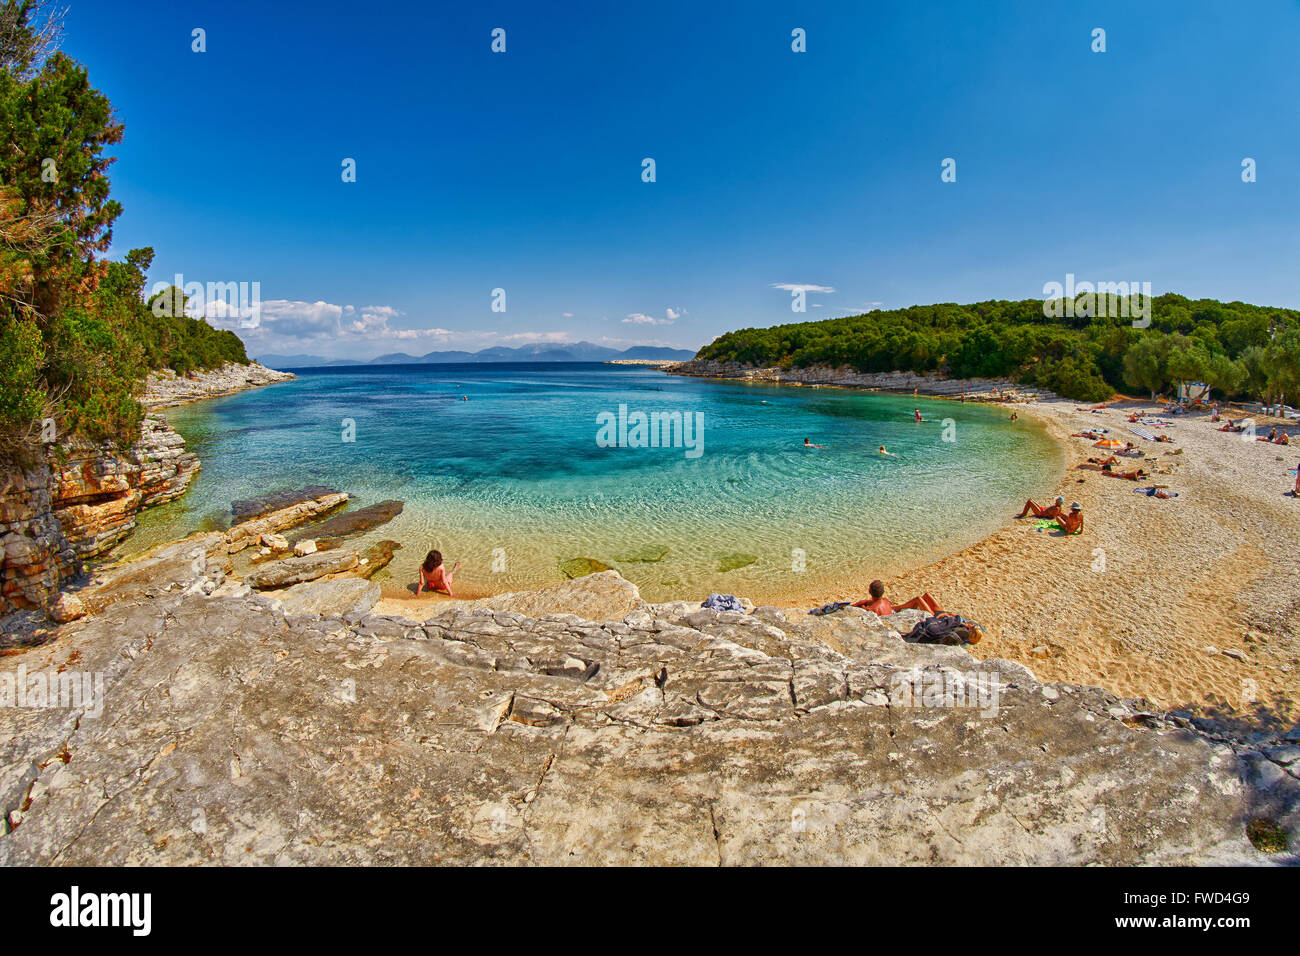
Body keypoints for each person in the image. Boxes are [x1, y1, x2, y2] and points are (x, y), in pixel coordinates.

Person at [852, 579, 943, 616]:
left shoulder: (871, 609)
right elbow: (873, 602)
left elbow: (864, 609)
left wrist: (862, 606)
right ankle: (935, 614)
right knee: (922, 597)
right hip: (893, 610)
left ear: (869, 592)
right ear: (883, 592)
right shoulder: (886, 601)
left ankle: (932, 615)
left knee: (918, 599)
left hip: (893, 616)